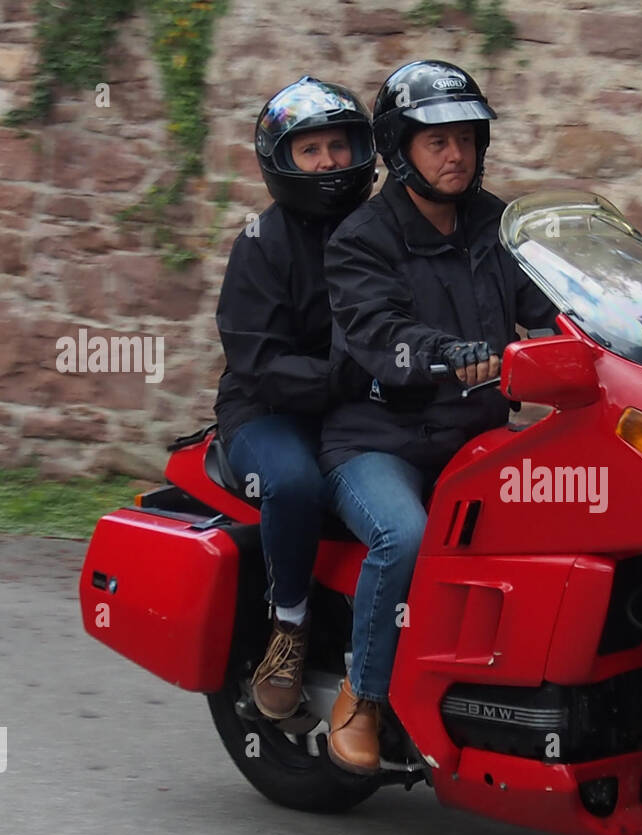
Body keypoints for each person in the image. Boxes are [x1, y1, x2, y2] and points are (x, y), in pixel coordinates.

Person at [320, 59, 557, 773]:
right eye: (438, 141)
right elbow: (380, 332)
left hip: (471, 437)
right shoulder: (361, 238)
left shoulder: (497, 224)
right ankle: (363, 696)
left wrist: (617, 329)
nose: (457, 154)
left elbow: (554, 299)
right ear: (401, 150)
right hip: (378, 440)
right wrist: (450, 353)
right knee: (404, 535)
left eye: (467, 139)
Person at [213, 75, 376, 720]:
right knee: (293, 482)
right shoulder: (261, 244)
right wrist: (346, 379)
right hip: (268, 412)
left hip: (361, 408)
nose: (329, 162)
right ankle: (289, 625)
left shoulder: (383, 231)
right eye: (311, 150)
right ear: (282, 160)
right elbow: (257, 363)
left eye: (338, 146)